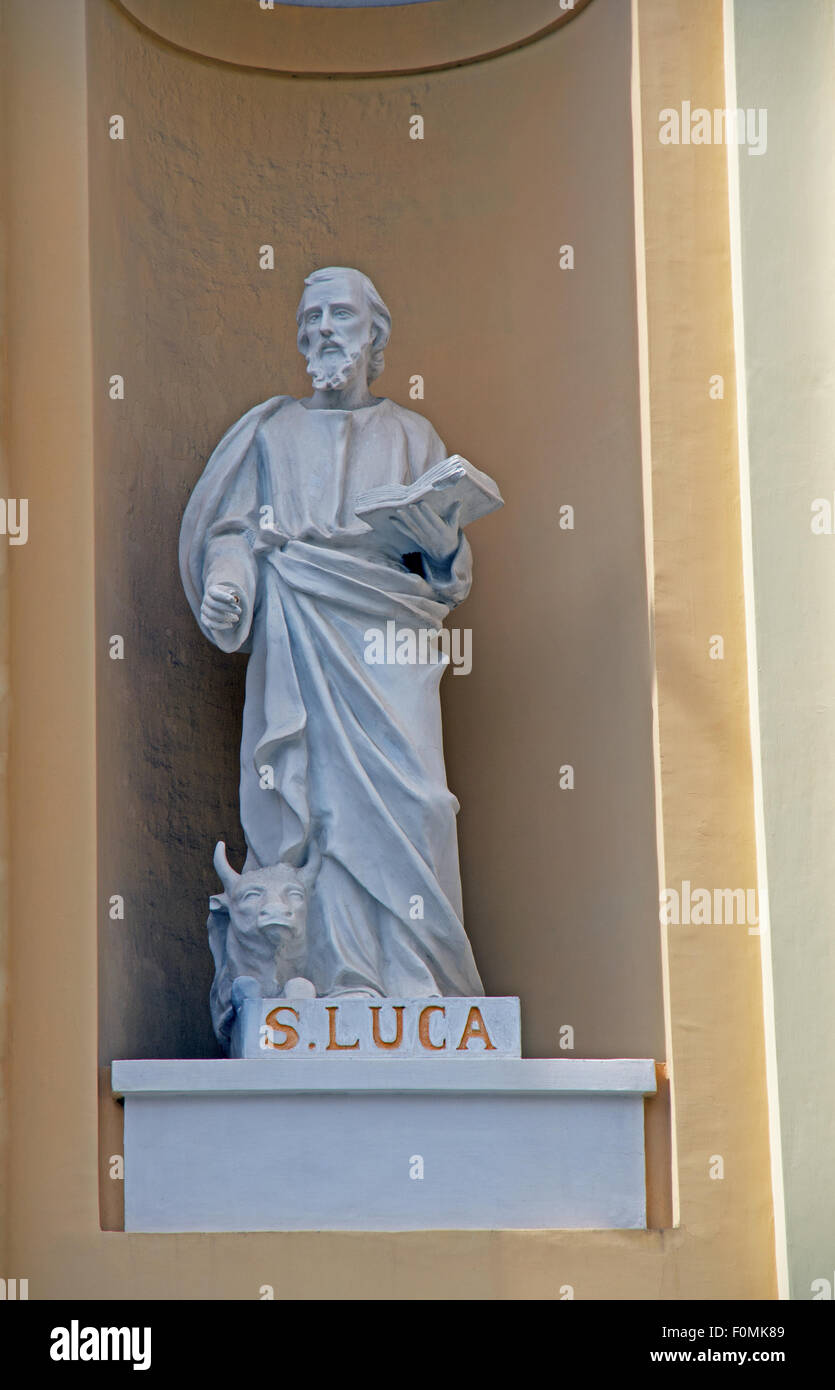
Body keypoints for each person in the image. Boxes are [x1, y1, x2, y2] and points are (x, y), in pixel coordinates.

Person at [180, 266, 486, 998]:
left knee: (413, 799)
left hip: (392, 643)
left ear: (372, 336)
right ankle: (336, 972)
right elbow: (235, 532)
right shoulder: (273, 431)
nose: (323, 329)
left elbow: (450, 572)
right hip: (297, 627)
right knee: (319, 804)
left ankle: (415, 974)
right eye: (311, 316)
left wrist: (440, 542)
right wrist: (229, 585)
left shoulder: (412, 435)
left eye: (340, 316)